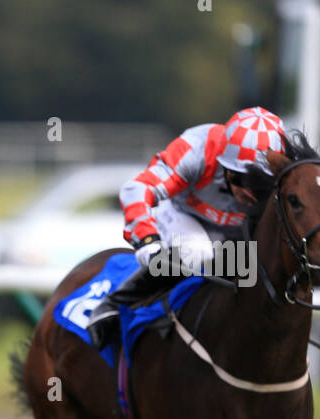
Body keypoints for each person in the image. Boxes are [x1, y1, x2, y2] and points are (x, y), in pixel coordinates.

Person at [87, 106, 287, 346]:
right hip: (182, 215)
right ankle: (114, 305)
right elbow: (137, 189)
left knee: (252, 265)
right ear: (224, 164)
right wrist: (147, 240)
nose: (248, 192)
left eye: (260, 183)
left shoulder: (288, 170)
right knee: (198, 251)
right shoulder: (198, 148)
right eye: (240, 178)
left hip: (236, 234)